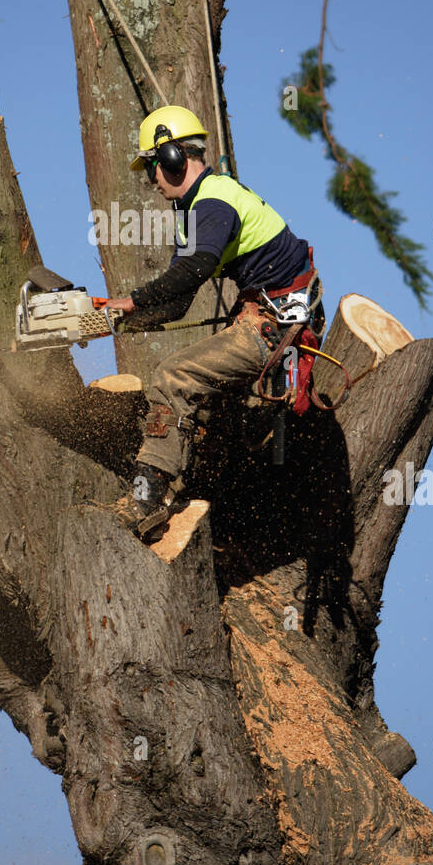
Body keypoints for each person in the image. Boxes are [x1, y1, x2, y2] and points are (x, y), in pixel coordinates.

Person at [104, 105, 317, 540]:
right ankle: (178, 491)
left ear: (173, 157)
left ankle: (145, 498)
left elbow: (193, 271)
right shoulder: (198, 209)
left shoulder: (215, 200)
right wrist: (118, 319)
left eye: (152, 167)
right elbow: (180, 300)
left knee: (173, 375)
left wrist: (132, 300)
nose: (151, 180)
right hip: (268, 323)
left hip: (276, 329)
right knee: (206, 408)